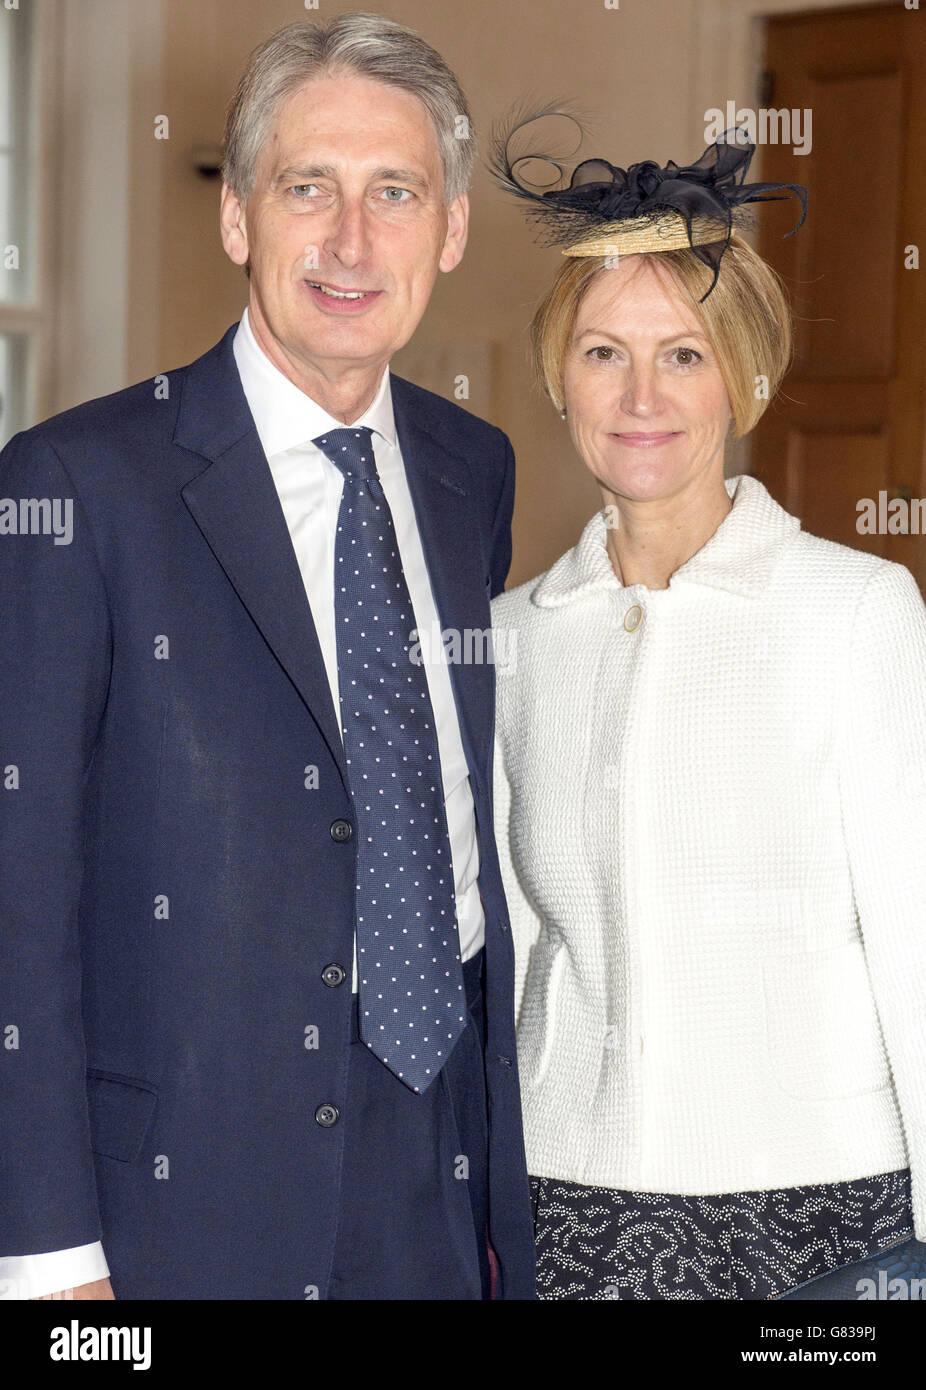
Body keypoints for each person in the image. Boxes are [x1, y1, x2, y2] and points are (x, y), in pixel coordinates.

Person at [0, 16, 536, 1301]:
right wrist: (47, 1258)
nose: (352, 241)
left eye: (393, 192)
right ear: (239, 214)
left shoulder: (473, 476)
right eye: (309, 187)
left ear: (449, 230)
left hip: (438, 1175)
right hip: (170, 1215)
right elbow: (18, 901)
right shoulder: (74, 488)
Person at [489, 114, 926, 1300]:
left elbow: (915, 946)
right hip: (565, 1206)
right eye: (601, 353)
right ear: (555, 377)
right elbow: (516, 950)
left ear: (746, 374)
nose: (640, 395)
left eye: (682, 352)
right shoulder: (517, 634)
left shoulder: (858, 611)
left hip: (820, 1217)